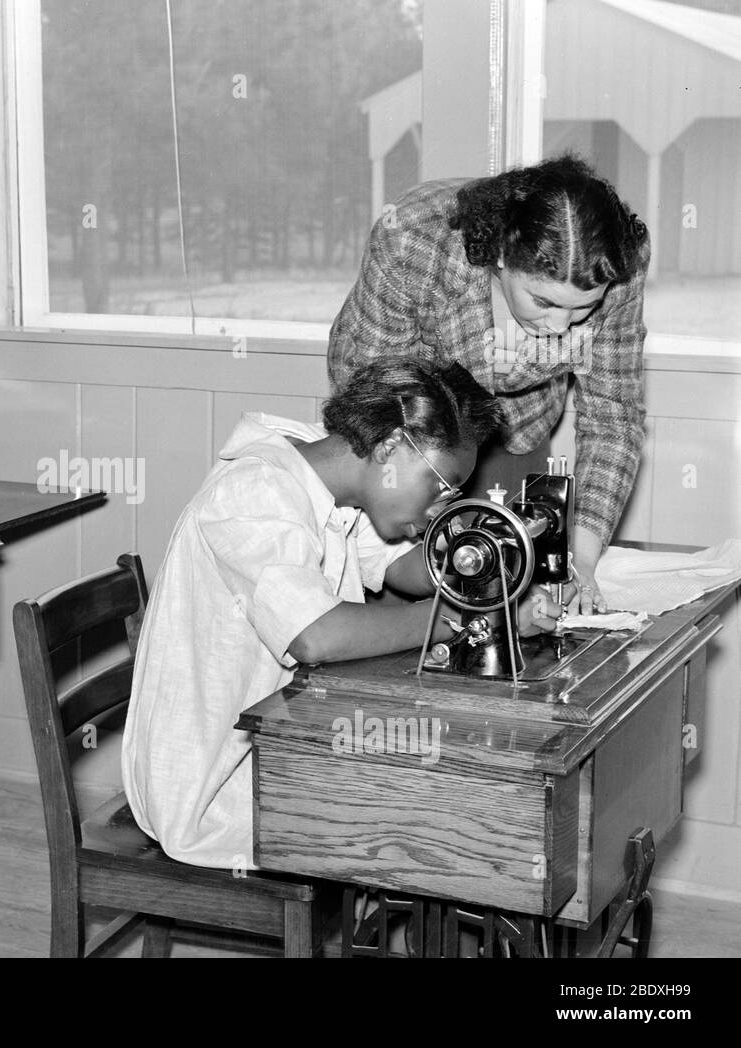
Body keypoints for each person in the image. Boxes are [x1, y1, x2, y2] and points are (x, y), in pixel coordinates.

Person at [121, 358, 562, 870]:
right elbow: (316, 636)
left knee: (460, 805)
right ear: (392, 446)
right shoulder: (255, 492)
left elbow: (406, 569)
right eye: (441, 487)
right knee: (457, 823)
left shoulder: (340, 481)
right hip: (215, 786)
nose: (440, 506)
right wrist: (469, 619)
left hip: (283, 745)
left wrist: (492, 559)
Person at [328, 155, 650, 617]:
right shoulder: (414, 239)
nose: (561, 326)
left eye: (583, 309)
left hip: (518, 429)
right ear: (501, 253)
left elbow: (613, 419)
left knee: (517, 588)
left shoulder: (616, 262)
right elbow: (376, 395)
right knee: (407, 593)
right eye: (543, 301)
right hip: (402, 424)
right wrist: (422, 508)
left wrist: (579, 558)